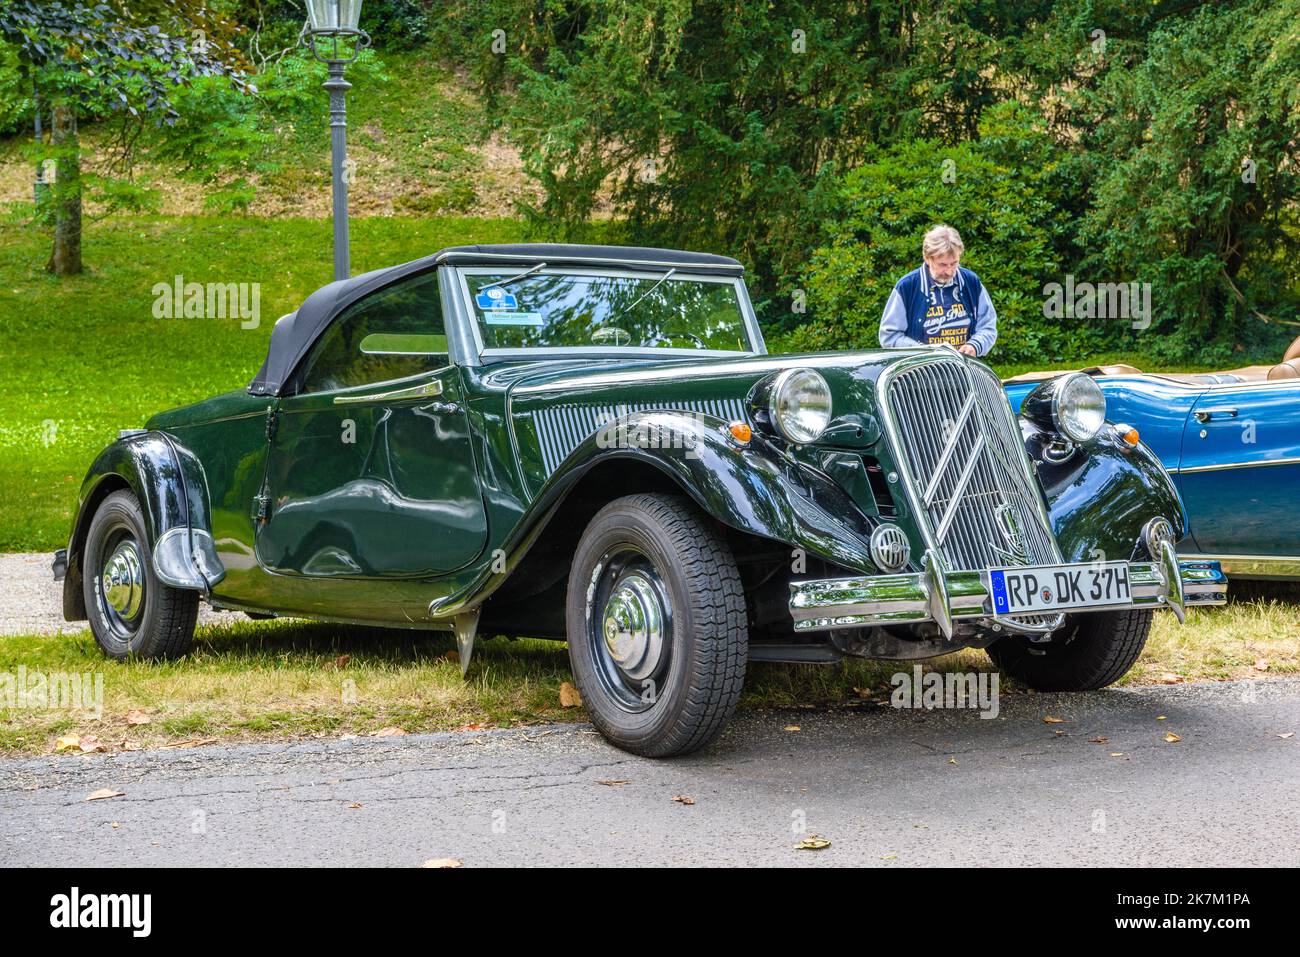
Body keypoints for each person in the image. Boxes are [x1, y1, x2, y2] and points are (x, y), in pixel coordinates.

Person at [879, 224, 997, 357]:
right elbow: (889, 336)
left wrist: (975, 345)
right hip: (922, 372)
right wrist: (925, 352)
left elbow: (988, 326)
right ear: (927, 258)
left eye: (954, 263)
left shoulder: (971, 282)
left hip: (964, 369)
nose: (949, 271)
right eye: (943, 264)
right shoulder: (907, 286)